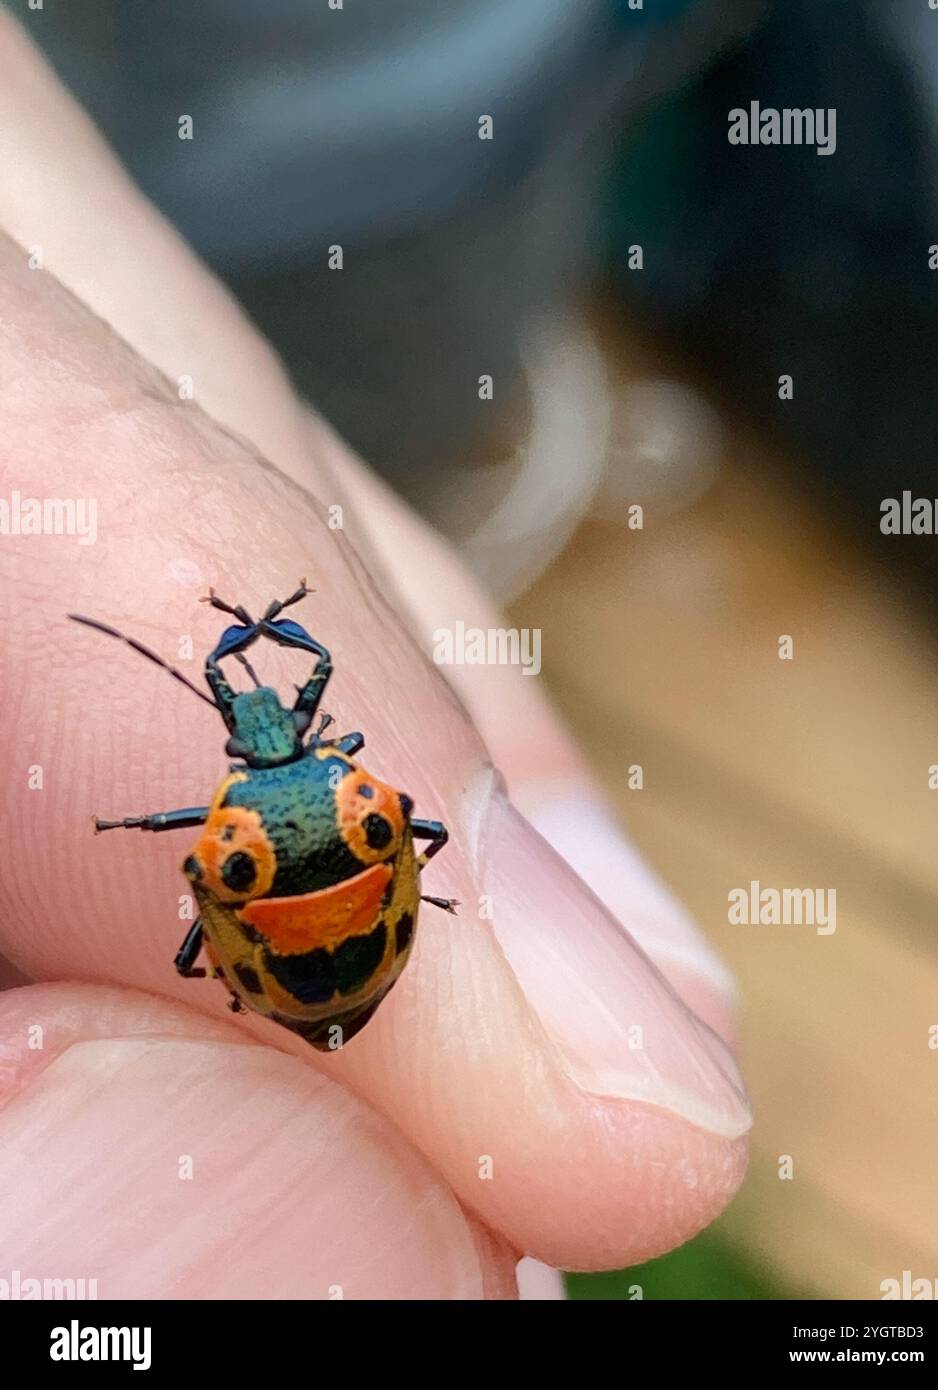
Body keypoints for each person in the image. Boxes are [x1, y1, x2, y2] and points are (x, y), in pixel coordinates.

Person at [0, 14, 749, 1299]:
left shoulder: (257, 808)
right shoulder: (327, 791)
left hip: (320, 943)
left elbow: (240, 874)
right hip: (326, 941)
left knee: (218, 925)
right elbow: (392, 835)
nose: (261, 719)